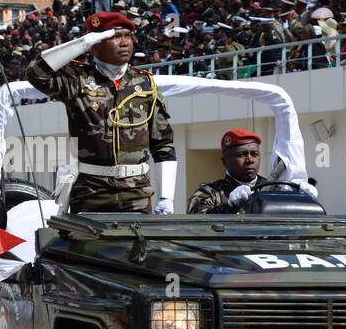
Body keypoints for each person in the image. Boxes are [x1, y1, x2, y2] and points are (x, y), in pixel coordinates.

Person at [26, 11, 176, 215]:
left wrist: (167, 197)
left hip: (137, 194)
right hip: (90, 193)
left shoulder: (145, 83)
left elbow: (163, 144)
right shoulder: (76, 80)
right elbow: (36, 73)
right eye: (114, 37)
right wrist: (83, 42)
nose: (124, 42)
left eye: (127, 36)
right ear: (95, 44)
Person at [188, 129, 268, 214]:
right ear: (225, 161)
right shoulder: (209, 193)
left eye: (254, 154)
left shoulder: (272, 189)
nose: (250, 160)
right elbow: (198, 221)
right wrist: (229, 207)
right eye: (241, 155)